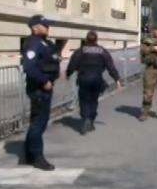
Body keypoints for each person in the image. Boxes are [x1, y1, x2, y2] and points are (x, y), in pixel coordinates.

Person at [21, 15, 60, 171]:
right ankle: (37, 157)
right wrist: (44, 81)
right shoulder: (33, 43)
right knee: (39, 122)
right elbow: (29, 67)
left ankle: (29, 153)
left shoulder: (45, 43)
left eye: (47, 25)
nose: (47, 27)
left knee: (38, 122)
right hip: (38, 88)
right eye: (44, 25)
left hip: (45, 88)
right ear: (34, 27)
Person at [65, 31, 122, 134]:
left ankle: (86, 118)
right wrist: (116, 79)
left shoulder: (80, 51)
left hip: (83, 78)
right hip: (97, 78)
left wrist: (68, 73)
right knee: (93, 100)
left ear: (86, 39)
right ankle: (91, 120)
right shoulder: (102, 51)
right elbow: (110, 66)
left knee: (84, 100)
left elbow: (72, 64)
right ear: (96, 39)